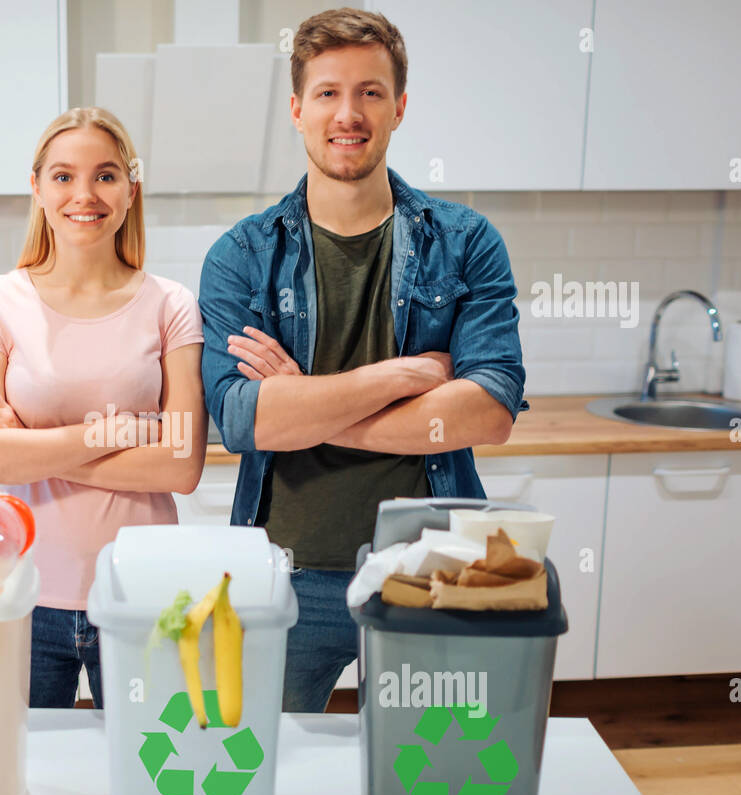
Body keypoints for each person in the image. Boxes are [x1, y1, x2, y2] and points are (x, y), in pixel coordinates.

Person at [198, 8, 528, 713]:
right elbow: (240, 420)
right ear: (297, 109)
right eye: (327, 93)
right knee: (271, 774)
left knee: (428, 777)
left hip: (429, 564)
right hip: (283, 573)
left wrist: (306, 405)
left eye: (370, 92)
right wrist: (398, 378)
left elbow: (490, 408)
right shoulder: (242, 256)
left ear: (400, 107)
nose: (348, 114)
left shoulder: (466, 242)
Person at [0, 107, 208, 710]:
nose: (84, 194)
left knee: (145, 776)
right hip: (22, 591)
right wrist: (118, 432)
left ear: (130, 189)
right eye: (63, 176)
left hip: (141, 593)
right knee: (30, 777)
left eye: (106, 175)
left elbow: (181, 466)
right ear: (37, 187)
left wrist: (31, 447)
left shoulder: (171, 305)